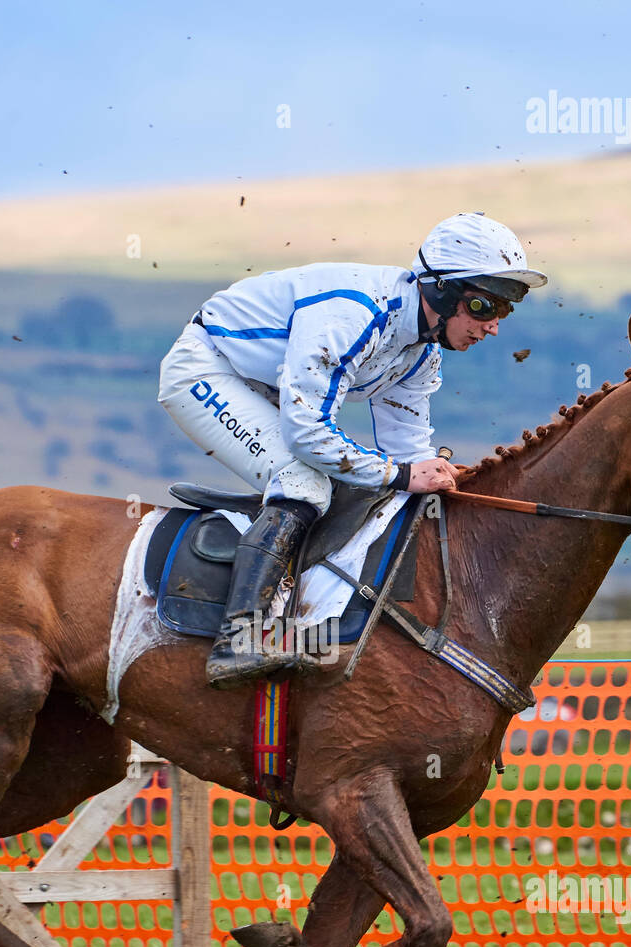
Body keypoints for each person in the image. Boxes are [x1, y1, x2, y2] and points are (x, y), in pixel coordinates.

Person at [157, 211, 547, 686]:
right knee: (304, 480)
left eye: (504, 312)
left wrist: (429, 474)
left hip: (265, 386)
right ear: (441, 291)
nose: (493, 328)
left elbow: (409, 452)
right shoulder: (353, 315)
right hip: (208, 369)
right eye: (485, 308)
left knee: (371, 485)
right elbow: (306, 433)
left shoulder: (421, 352)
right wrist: (403, 475)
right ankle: (237, 640)